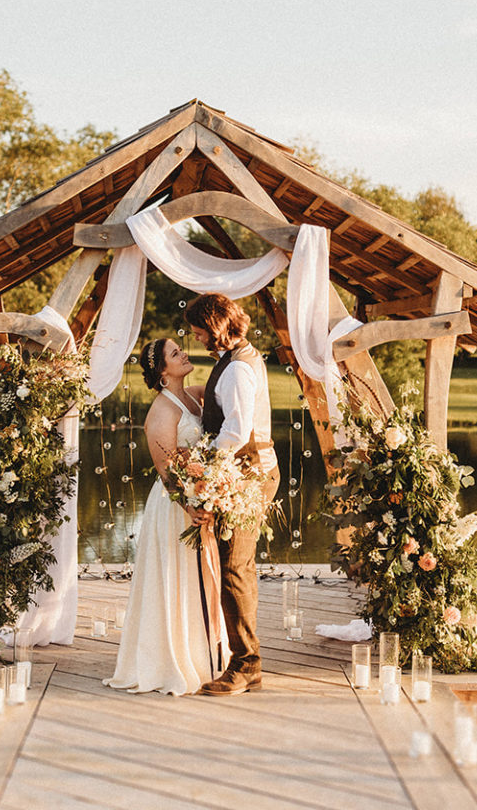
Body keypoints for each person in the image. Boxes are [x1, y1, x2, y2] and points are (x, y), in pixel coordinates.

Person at [104, 337, 228, 696]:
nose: (184, 353)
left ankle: (207, 653)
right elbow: (166, 471)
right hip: (176, 506)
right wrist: (191, 504)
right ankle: (174, 658)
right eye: (176, 353)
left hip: (199, 496)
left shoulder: (192, 394)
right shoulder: (161, 411)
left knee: (202, 577)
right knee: (179, 577)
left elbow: (224, 383)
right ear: (162, 372)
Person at [184, 293, 280, 697]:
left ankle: (245, 666)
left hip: (246, 477)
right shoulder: (235, 358)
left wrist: (206, 471)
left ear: (216, 325)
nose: (197, 337)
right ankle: (247, 658)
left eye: (200, 330)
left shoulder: (239, 369)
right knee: (239, 567)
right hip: (243, 474)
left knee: (233, 570)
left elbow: (237, 432)